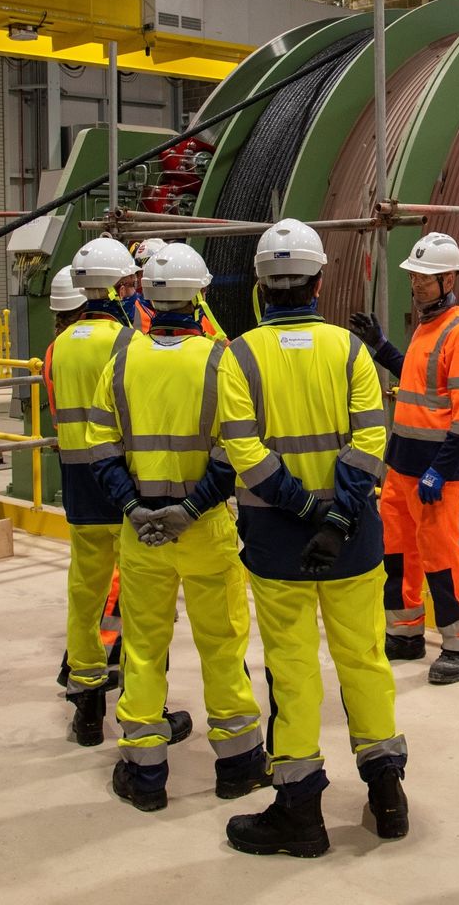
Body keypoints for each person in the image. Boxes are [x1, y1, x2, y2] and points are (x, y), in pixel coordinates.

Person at [215, 219, 408, 857]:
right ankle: (387, 796)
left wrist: (299, 507)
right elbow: (371, 438)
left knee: (293, 671)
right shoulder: (352, 352)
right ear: (320, 283)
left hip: (276, 540)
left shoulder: (239, 356)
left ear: (261, 288)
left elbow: (243, 448)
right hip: (351, 538)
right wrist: (337, 517)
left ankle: (301, 816)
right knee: (365, 661)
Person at [83, 242, 267, 813]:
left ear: (146, 296)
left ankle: (145, 775)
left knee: (142, 648)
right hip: (205, 529)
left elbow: (100, 449)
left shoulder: (121, 361)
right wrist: (190, 510)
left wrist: (135, 509)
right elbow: (234, 452)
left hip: (142, 537)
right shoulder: (220, 361)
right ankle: (237, 767)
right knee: (223, 643)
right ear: (200, 296)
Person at [44, 254, 190, 748]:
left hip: (79, 488)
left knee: (84, 595)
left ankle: (87, 707)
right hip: (124, 486)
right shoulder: (128, 342)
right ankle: (149, 704)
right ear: (120, 285)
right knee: (143, 602)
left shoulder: (59, 345)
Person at [348, 232, 459, 685]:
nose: (417, 284)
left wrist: (440, 470)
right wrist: (382, 347)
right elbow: (419, 378)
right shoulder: (429, 326)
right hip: (403, 464)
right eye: (414, 276)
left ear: (449, 278)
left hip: (434, 471)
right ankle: (405, 633)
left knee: (440, 555)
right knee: (398, 552)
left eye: (426, 278)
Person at [126, 238, 226, 340]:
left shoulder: (198, 316)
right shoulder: (133, 308)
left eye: (142, 274)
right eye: (138, 274)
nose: (138, 279)